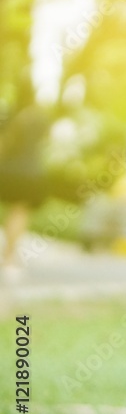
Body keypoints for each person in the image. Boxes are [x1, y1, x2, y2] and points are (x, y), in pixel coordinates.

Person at [0, 101, 52, 280]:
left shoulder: (12, 120)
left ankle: (8, 259)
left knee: (14, 213)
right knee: (19, 213)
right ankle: (8, 259)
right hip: (29, 174)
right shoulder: (41, 122)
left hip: (7, 171)